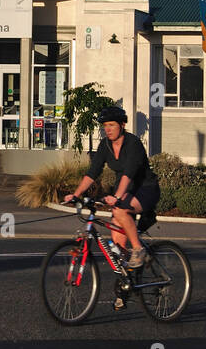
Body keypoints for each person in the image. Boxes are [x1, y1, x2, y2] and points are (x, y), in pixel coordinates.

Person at [62, 106, 160, 268]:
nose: (108, 129)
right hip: (125, 191)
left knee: (119, 210)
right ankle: (126, 284)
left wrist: (117, 197)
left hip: (146, 189)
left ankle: (138, 249)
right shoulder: (105, 146)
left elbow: (129, 173)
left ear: (122, 125)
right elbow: (93, 173)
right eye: (105, 126)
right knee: (118, 250)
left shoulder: (133, 143)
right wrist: (76, 194)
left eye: (112, 125)